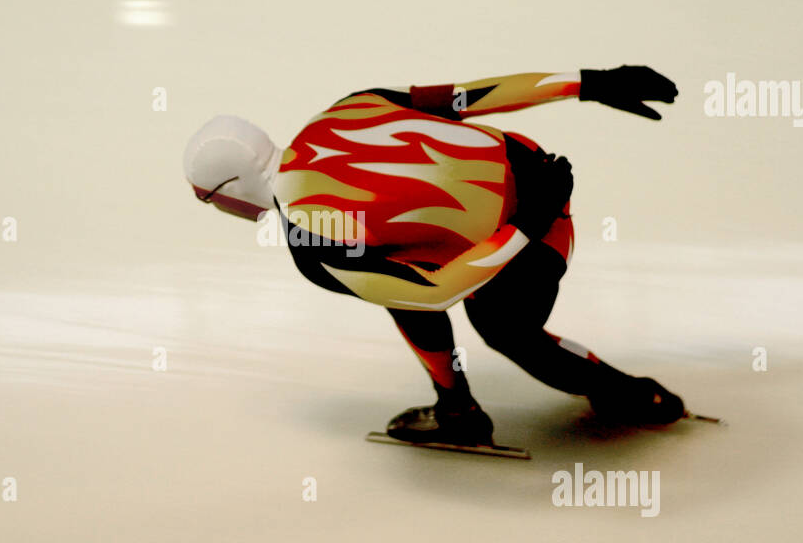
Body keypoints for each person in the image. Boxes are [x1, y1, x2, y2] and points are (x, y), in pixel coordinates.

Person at [182, 65, 685, 446]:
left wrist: (526, 223)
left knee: (500, 326)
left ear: (231, 189)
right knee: (390, 272)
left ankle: (628, 392)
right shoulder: (351, 105)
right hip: (537, 169)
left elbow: (433, 293)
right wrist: (588, 82)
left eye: (210, 200)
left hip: (535, 229)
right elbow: (474, 97)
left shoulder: (308, 238)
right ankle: (457, 409)